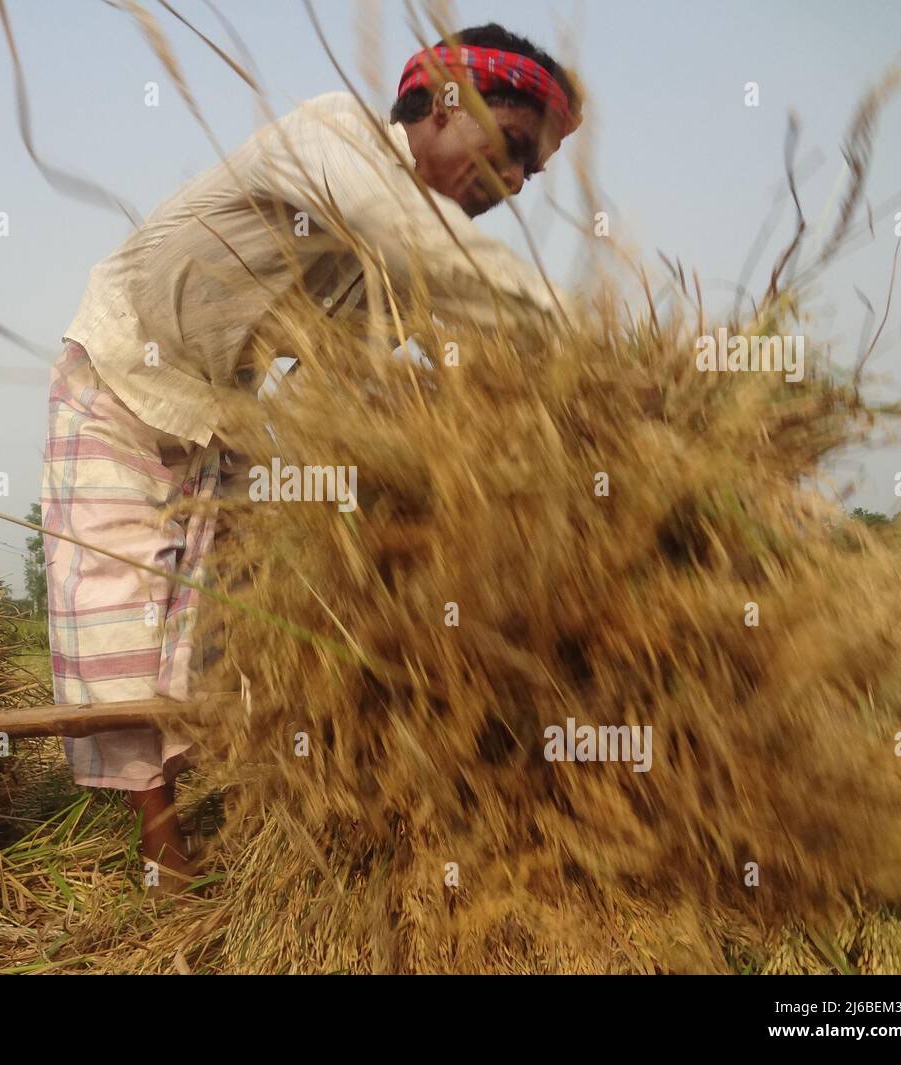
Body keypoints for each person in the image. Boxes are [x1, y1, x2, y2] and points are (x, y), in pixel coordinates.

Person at [41, 22, 581, 889]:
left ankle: (291, 791)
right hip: (121, 374)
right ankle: (160, 841)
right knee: (126, 607)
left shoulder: (405, 258)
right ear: (442, 103)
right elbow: (427, 251)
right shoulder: (334, 137)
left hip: (224, 410)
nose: (513, 182)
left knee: (224, 615)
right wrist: (582, 347)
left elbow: (434, 344)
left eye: (530, 171)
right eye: (512, 146)